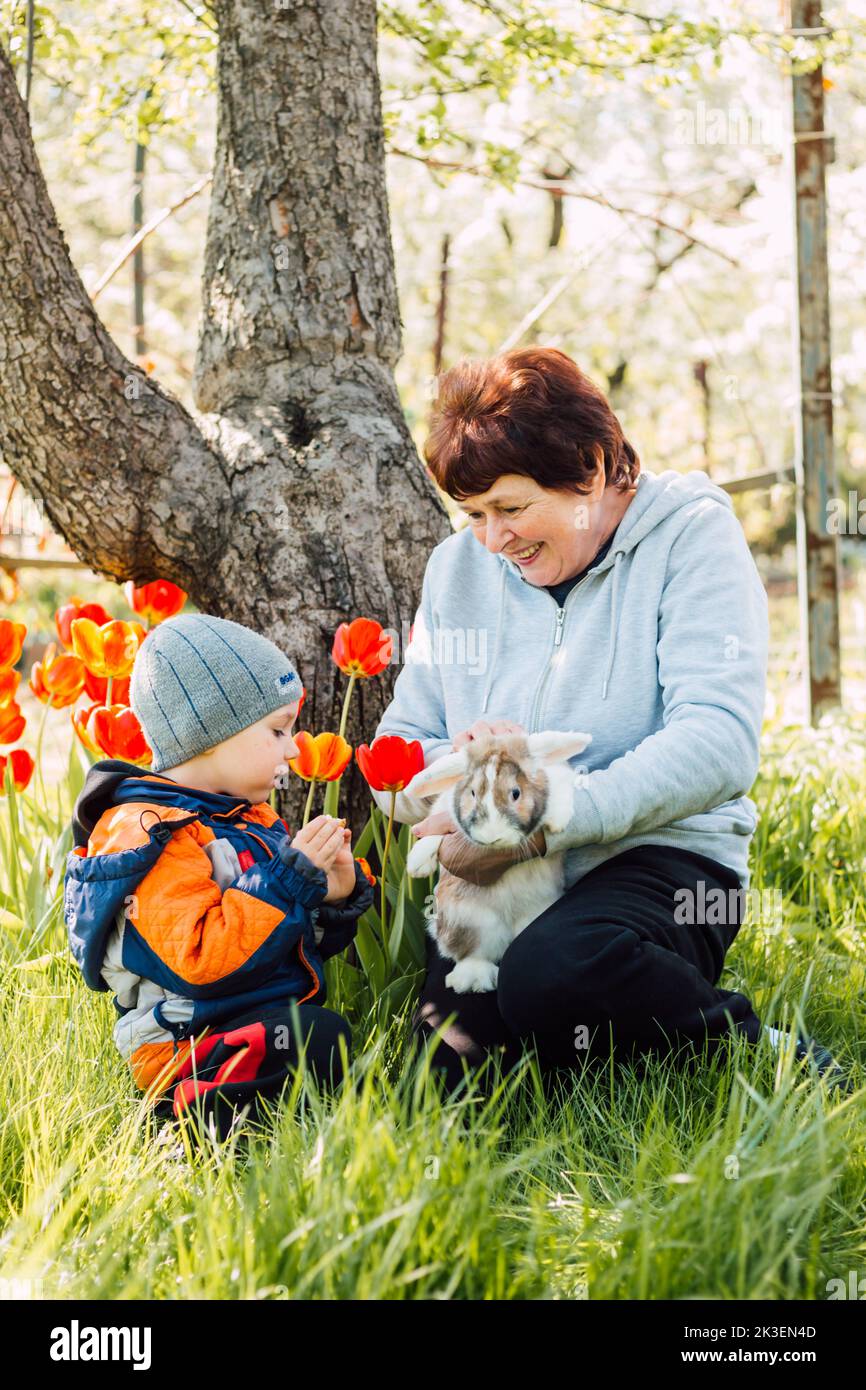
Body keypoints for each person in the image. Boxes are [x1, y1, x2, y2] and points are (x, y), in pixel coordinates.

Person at [369, 346, 849, 1095]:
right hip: (498, 885)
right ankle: (598, 1038)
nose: (494, 541)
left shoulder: (690, 537)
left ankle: (758, 1050)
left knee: (557, 972)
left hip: (660, 862)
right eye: (475, 515)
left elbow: (718, 744)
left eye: (512, 508)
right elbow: (397, 750)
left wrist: (540, 819)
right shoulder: (458, 569)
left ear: (591, 470)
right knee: (450, 1078)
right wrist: (455, 787)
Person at [64, 613, 374, 1142]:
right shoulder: (150, 833)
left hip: (253, 1020)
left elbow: (281, 941)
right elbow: (202, 961)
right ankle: (189, 1116)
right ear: (209, 733)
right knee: (319, 1041)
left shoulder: (248, 818)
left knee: (330, 1047)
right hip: (188, 1044)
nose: (295, 748)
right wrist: (291, 880)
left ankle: (295, 1123)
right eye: (277, 730)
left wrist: (332, 893)